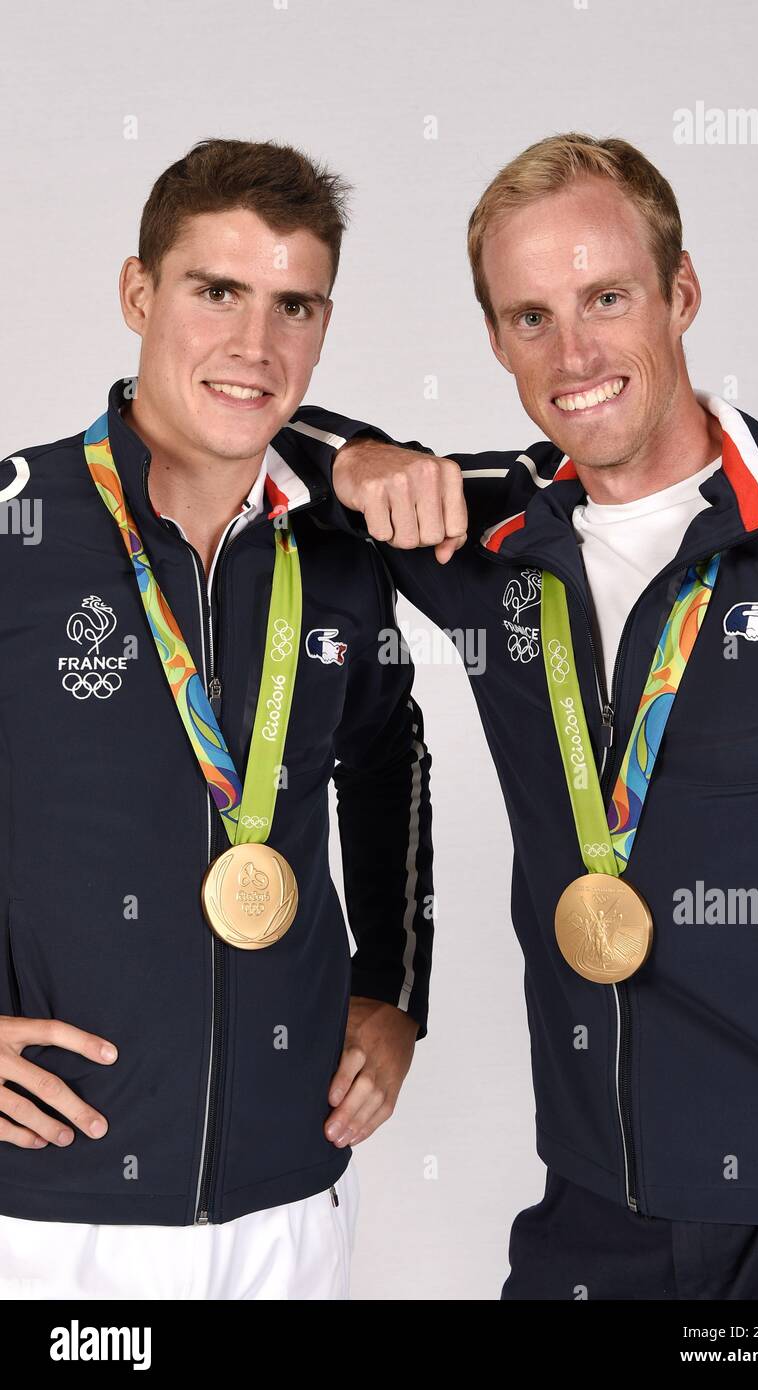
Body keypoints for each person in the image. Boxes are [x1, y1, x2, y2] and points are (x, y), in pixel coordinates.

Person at [286, 133, 758, 1299]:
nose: (576, 351)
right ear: (497, 339)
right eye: (532, 315)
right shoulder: (481, 530)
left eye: (606, 297)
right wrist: (360, 460)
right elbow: (255, 440)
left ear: (680, 293)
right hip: (597, 1212)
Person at [0, 138, 432, 1300]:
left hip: (289, 1201)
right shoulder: (18, 531)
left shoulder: (338, 558)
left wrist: (395, 994)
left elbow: (390, 762)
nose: (255, 346)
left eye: (295, 305)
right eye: (216, 292)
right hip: (42, 1211)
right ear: (139, 293)